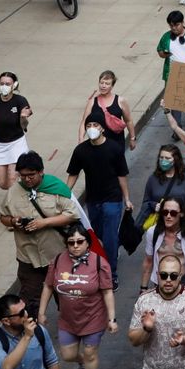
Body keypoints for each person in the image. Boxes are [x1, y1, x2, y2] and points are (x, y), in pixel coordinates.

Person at [42, 226, 116, 369]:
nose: (75, 246)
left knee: (91, 353)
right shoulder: (58, 260)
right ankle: (81, 362)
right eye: (71, 242)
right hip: (68, 319)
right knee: (68, 355)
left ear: (87, 243)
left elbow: (107, 292)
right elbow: (48, 286)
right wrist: (41, 312)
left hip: (93, 317)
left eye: (80, 242)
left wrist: (112, 319)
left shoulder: (99, 263)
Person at [0, 153, 82, 310]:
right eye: (23, 176)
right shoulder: (14, 191)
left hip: (58, 257)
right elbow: (3, 216)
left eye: (31, 175)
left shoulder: (56, 189)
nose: (27, 179)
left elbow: (72, 215)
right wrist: (13, 221)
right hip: (28, 258)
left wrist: (43, 223)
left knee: (68, 302)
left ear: (41, 172)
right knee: (30, 304)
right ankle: (33, 331)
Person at [66, 122, 132, 289]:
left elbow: (122, 175)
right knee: (97, 237)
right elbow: (73, 174)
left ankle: (111, 275)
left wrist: (127, 198)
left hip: (112, 200)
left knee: (109, 238)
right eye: (89, 125)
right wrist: (64, 194)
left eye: (95, 125)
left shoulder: (114, 149)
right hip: (93, 201)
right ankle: (101, 264)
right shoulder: (81, 151)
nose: (92, 128)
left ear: (102, 128)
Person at [0, 73, 35, 190]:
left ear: (14, 85)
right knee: (3, 184)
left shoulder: (20, 101)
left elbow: (24, 126)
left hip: (16, 143)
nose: (4, 86)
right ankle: (20, 194)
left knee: (13, 178)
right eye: (2, 83)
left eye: (8, 84)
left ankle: (15, 203)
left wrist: (23, 117)